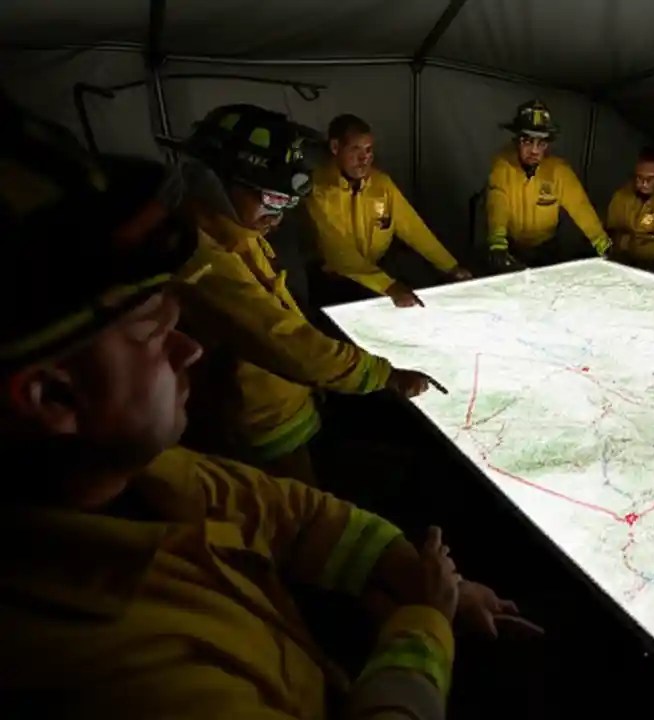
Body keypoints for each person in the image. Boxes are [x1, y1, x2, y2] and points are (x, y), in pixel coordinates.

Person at [0, 98, 525, 719]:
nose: (190, 346)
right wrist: (422, 626)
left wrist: (422, 577)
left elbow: (290, 513)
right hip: (264, 426)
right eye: (147, 332)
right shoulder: (131, 675)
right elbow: (281, 340)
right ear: (52, 395)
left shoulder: (150, 478)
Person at [172, 104, 441, 485]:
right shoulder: (202, 258)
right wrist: (384, 375)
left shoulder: (240, 236)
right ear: (214, 183)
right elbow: (282, 337)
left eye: (287, 203)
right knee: (301, 519)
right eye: (272, 199)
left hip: (290, 407)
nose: (278, 217)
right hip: (262, 430)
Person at [307, 114, 472, 309]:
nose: (364, 158)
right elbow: (338, 252)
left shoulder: (381, 184)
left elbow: (413, 229)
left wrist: (450, 267)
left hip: (374, 278)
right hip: (332, 283)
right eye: (355, 149)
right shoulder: (317, 189)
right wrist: (389, 286)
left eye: (369, 150)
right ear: (335, 148)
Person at [485, 100, 610, 270]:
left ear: (547, 145)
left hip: (547, 249)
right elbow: (497, 201)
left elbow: (580, 207)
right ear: (516, 141)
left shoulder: (559, 171)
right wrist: (497, 240)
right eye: (527, 141)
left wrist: (603, 243)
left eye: (541, 143)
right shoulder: (502, 165)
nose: (534, 150)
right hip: (511, 246)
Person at [605, 146, 654, 279]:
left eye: (650, 178)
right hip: (621, 263)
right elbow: (611, 234)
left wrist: (629, 244)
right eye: (639, 177)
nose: (644, 183)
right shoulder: (621, 196)